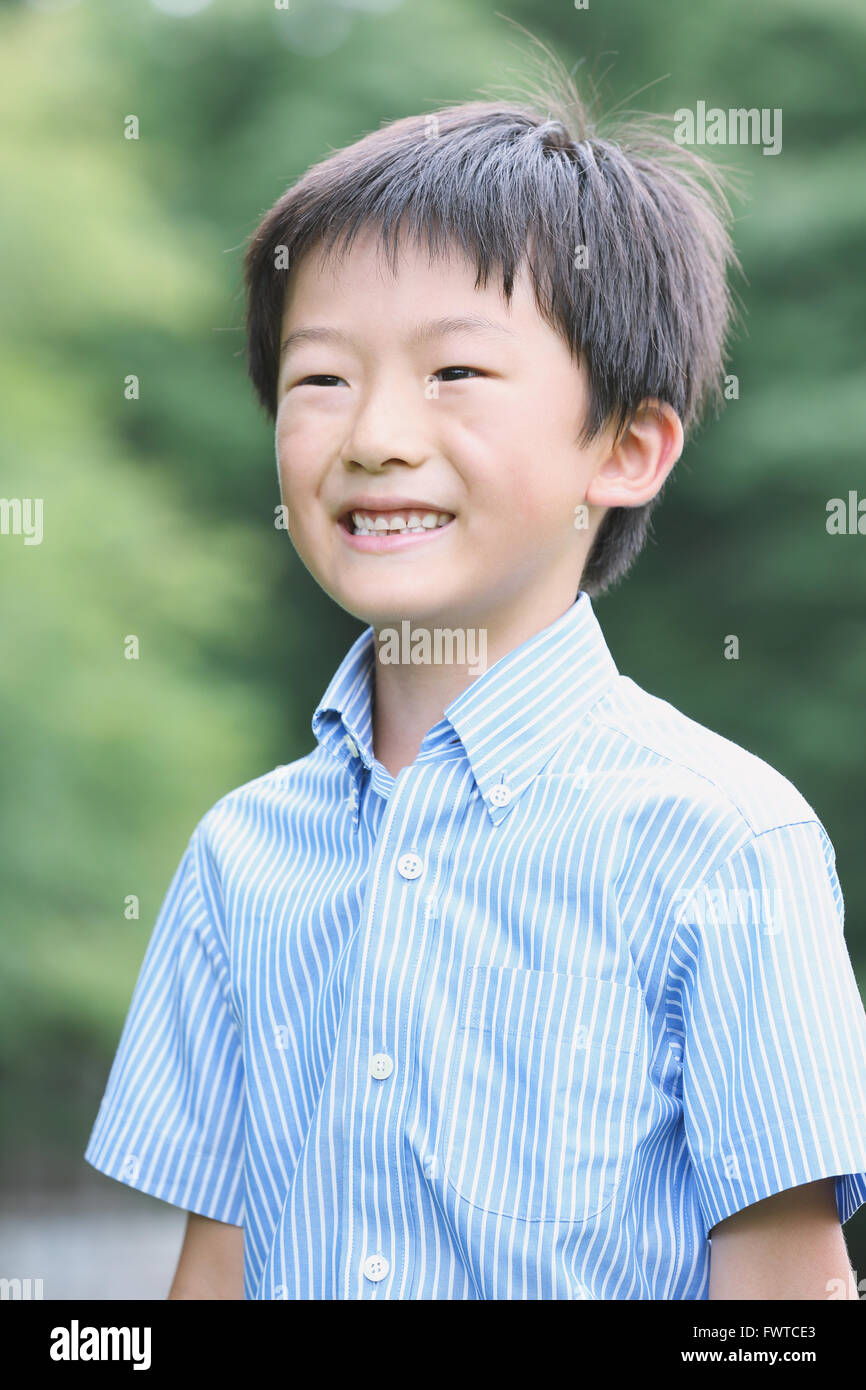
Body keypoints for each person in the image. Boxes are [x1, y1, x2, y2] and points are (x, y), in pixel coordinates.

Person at [84, 68, 866, 1300]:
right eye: (319, 377)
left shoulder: (722, 844)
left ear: (622, 447)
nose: (373, 434)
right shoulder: (240, 857)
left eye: (454, 373)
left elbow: (785, 1293)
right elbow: (213, 1275)